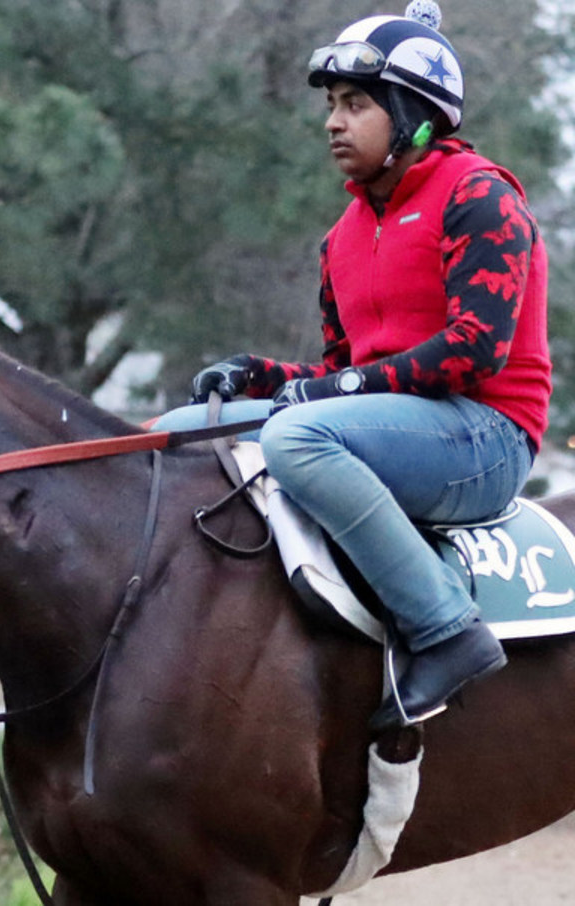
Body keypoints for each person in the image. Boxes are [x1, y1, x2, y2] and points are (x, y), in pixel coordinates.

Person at [152, 0, 550, 731]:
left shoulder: (481, 197)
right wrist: (257, 374)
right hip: (394, 426)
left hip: (487, 437)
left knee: (297, 436)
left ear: (415, 117)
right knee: (168, 433)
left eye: (356, 104)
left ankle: (447, 631)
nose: (334, 122)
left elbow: (473, 351)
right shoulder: (341, 236)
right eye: (332, 104)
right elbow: (343, 372)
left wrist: (327, 392)